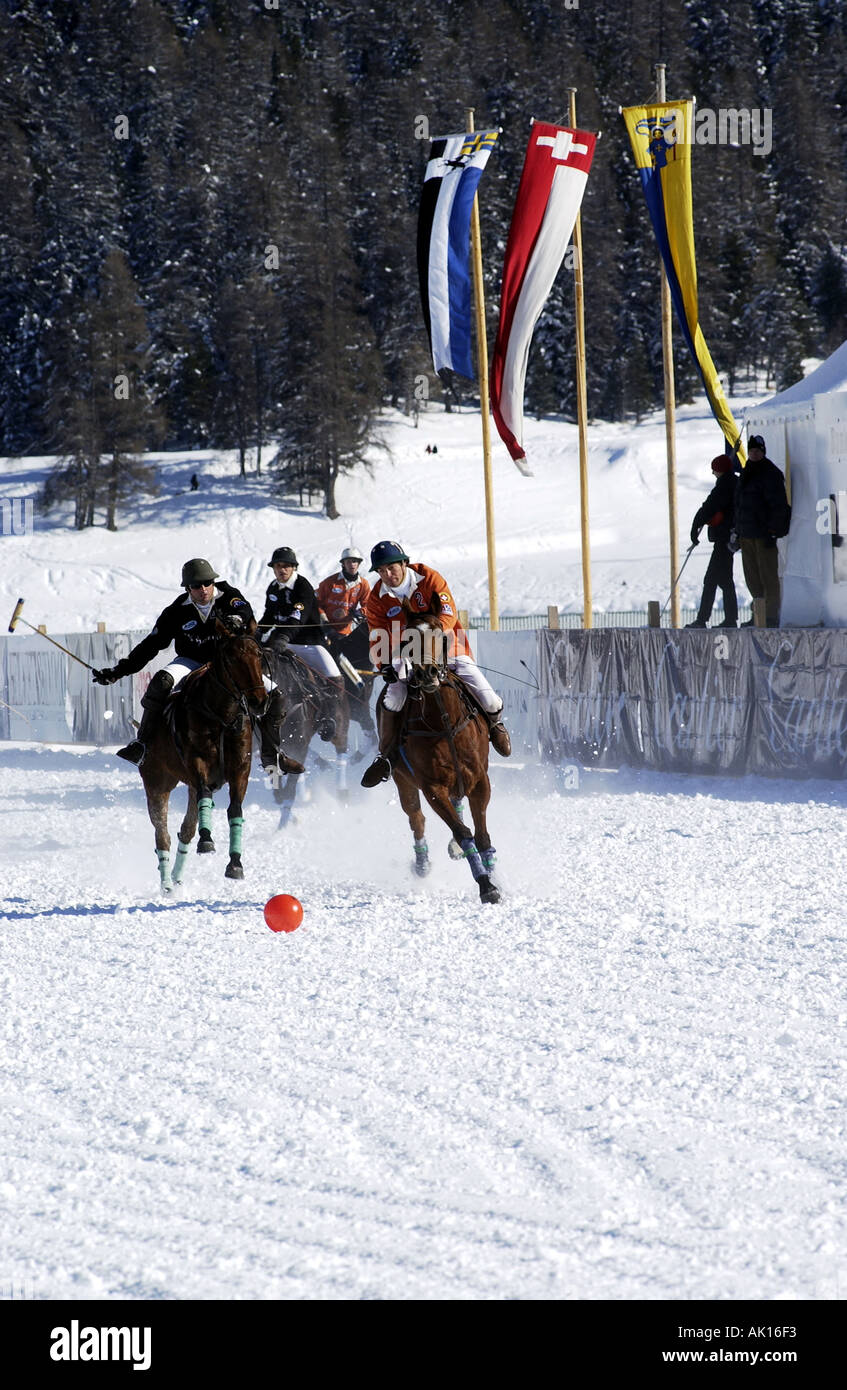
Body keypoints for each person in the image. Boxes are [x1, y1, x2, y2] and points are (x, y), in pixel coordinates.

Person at [90, 559, 290, 771]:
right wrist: (118, 671)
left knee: (275, 695)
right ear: (188, 588)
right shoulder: (176, 611)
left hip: (228, 664)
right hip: (191, 661)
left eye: (207, 583)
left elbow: (245, 611)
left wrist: (236, 620)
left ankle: (271, 753)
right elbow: (151, 645)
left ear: (214, 582)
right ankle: (143, 743)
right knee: (160, 682)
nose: (203, 589)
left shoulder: (228, 595)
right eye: (196, 586)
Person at [359, 541, 511, 788]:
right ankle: (386, 757)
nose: (388, 574)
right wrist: (383, 663)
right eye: (382, 571)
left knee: (489, 697)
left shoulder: (429, 577)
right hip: (405, 653)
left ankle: (495, 725)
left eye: (391, 567)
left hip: (447, 645)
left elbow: (449, 614)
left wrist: (429, 640)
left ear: (404, 563)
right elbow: (377, 633)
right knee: (394, 697)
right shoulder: (376, 597)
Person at [733, 434, 791, 627]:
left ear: (763, 451)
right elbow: (739, 503)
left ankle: (771, 616)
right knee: (752, 577)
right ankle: (759, 614)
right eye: (751, 451)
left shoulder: (771, 473)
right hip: (747, 534)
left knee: (768, 577)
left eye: (757, 451)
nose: (754, 454)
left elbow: (779, 505)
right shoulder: (746, 472)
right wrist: (737, 530)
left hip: (764, 534)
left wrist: (774, 530)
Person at [685, 454, 739, 628]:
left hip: (724, 538)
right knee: (725, 580)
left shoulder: (724, 485)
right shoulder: (735, 483)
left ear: (720, 470)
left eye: (714, 469)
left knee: (710, 580)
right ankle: (730, 619)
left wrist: (695, 527)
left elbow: (709, 506)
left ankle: (702, 619)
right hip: (731, 537)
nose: (713, 472)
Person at [316, 546, 371, 644]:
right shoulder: (330, 582)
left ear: (359, 564)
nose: (352, 564)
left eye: (355, 561)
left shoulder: (363, 584)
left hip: (345, 632)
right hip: (325, 631)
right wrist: (324, 620)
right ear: (343, 564)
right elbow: (316, 602)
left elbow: (370, 605)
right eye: (348, 561)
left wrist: (360, 612)